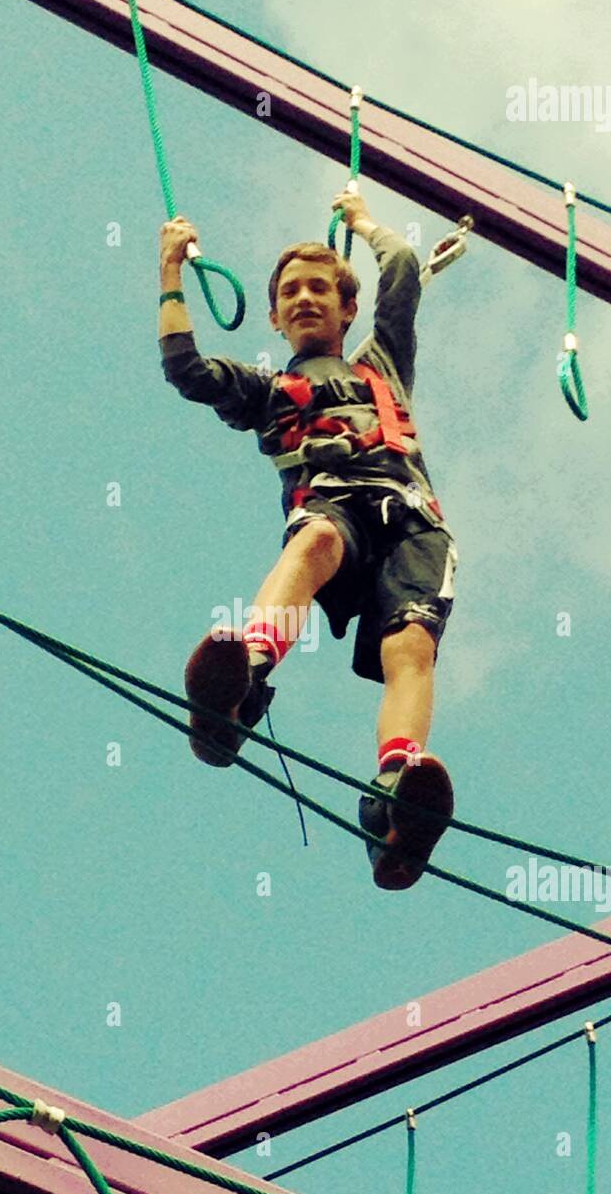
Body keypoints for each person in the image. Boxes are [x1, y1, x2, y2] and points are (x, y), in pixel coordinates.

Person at [159, 189, 458, 890]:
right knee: (317, 539)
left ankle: (392, 795)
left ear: (346, 307)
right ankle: (243, 682)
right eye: (289, 291)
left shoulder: (380, 365)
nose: (304, 299)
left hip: (411, 519)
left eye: (320, 287)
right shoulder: (265, 390)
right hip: (336, 511)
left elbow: (405, 266)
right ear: (272, 314)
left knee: (410, 645)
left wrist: (362, 223)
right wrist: (170, 273)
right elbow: (186, 370)